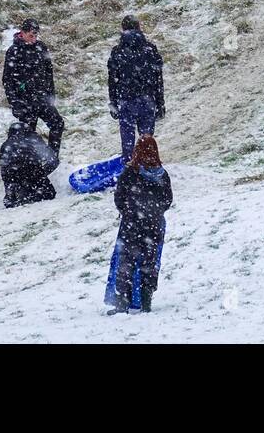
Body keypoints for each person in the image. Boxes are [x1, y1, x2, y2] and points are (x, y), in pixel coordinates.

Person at [109, 136, 173, 315]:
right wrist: (155, 213)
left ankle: (123, 303)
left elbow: (119, 197)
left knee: (126, 263)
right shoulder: (162, 174)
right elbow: (168, 199)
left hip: (132, 226)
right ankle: (146, 302)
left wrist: (128, 212)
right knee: (149, 263)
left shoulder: (130, 172)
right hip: (154, 226)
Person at [2, 18, 64, 159]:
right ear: (22, 33)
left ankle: (52, 159)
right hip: (24, 101)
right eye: (31, 35)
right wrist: (15, 102)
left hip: (42, 98)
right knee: (28, 136)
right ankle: (30, 165)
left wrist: (51, 94)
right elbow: (7, 80)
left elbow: (49, 73)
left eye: (36, 35)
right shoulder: (14, 51)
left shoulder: (41, 47)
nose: (34, 39)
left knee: (58, 124)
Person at [108, 16, 165, 162]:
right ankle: (147, 167)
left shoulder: (117, 51)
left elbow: (113, 80)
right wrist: (160, 103)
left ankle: (129, 166)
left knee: (127, 140)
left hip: (126, 99)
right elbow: (158, 79)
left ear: (123, 29)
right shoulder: (150, 49)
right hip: (147, 99)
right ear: (139, 27)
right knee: (146, 141)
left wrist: (113, 102)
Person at [0, 121, 59, 209]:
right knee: (49, 194)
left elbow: (4, 172)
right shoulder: (34, 139)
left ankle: (19, 195)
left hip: (14, 177)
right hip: (33, 172)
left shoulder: (5, 145)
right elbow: (53, 161)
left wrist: (9, 192)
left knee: (18, 191)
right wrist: (43, 173)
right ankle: (31, 195)